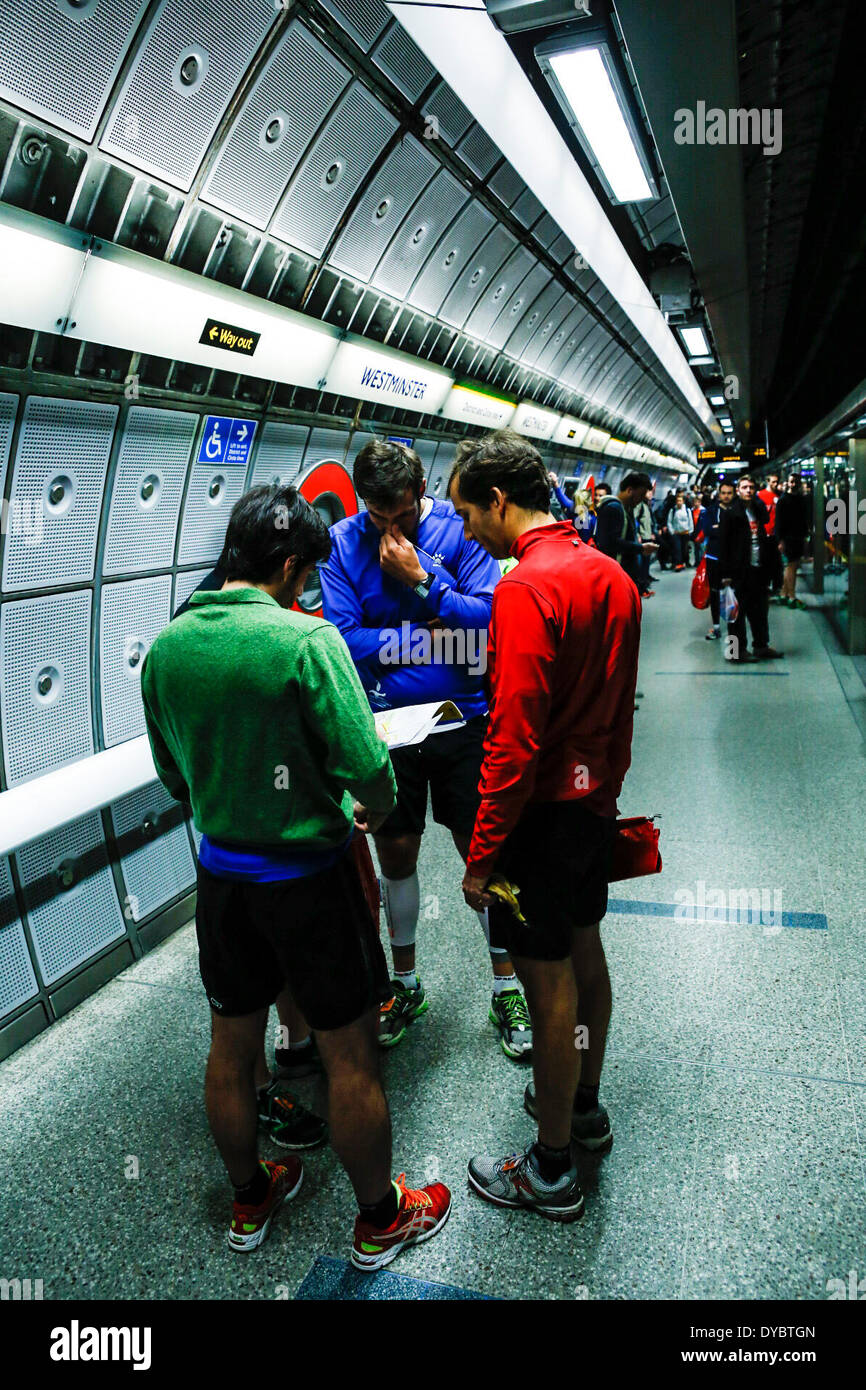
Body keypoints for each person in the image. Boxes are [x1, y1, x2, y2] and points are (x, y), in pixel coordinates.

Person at [140, 483, 451, 1266]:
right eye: (305, 576)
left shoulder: (169, 646)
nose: (308, 589)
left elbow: (173, 774)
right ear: (285, 567)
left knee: (231, 1048)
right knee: (351, 1055)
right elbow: (367, 765)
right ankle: (382, 1217)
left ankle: (251, 1198)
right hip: (309, 883)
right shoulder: (306, 645)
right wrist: (372, 809)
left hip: (222, 883)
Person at [446, 429, 641, 1220]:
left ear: (499, 500)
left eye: (468, 512)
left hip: (540, 819)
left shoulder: (525, 589)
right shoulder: (611, 575)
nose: (465, 530)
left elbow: (515, 736)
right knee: (586, 957)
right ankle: (584, 1107)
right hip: (590, 806)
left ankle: (551, 1169)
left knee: (546, 984)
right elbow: (622, 709)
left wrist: (482, 855)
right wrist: (606, 793)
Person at [320, 439, 533, 1060]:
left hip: (463, 720)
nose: (390, 531)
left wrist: (423, 580)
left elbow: (486, 624)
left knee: (482, 855)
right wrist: (430, 637)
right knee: (397, 851)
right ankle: (406, 982)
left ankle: (507, 983)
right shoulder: (341, 542)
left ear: (421, 494)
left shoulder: (457, 530)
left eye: (402, 516)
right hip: (388, 726)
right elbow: (343, 639)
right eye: (378, 517)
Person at [716, 474, 784, 663]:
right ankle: (737, 652)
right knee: (737, 615)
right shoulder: (731, 514)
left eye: (751, 487)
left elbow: (765, 539)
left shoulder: (758, 509)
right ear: (739, 490)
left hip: (758, 569)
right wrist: (726, 574)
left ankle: (761, 645)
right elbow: (724, 545)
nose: (748, 491)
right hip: (739, 571)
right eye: (744, 487)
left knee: (760, 611)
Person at [595, 471, 657, 587]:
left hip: (624, 574)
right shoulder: (614, 508)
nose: (642, 499)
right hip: (616, 574)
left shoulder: (626, 509)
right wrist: (640, 548)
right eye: (640, 495)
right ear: (629, 490)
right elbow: (610, 543)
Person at [699, 480, 735, 639]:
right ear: (719, 494)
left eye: (729, 493)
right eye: (724, 493)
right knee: (714, 592)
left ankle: (734, 627)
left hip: (734, 559)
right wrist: (724, 529)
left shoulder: (737, 510)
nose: (726, 496)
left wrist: (718, 527)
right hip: (714, 558)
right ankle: (716, 626)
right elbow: (708, 530)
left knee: (733, 593)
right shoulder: (710, 511)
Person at [775, 472, 810, 607]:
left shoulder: (800, 499)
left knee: (791, 567)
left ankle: (784, 593)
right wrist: (780, 540)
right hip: (788, 538)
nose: (793, 484)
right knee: (792, 566)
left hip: (798, 537)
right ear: (788, 483)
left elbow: (803, 520)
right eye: (791, 482)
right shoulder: (783, 500)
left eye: (796, 482)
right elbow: (779, 522)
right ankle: (792, 595)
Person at [758, 472, 783, 597]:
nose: (775, 484)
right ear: (768, 482)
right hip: (763, 533)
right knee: (765, 560)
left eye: (776, 482)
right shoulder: (760, 495)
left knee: (776, 561)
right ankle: (766, 585)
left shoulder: (778, 496)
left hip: (774, 533)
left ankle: (777, 585)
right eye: (773, 482)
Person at [666, 490, 693, 570]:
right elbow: (669, 522)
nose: (679, 502)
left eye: (680, 501)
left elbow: (690, 521)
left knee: (684, 549)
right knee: (677, 549)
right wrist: (672, 531)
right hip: (676, 533)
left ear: (683, 501)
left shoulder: (687, 511)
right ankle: (678, 564)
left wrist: (690, 531)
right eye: (677, 501)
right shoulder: (673, 510)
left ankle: (684, 562)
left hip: (685, 532)